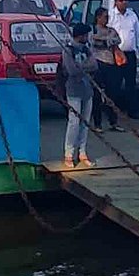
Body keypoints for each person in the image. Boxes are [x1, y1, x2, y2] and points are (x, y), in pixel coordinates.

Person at [61, 23, 96, 168]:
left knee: (85, 123)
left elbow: (95, 65)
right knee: (74, 122)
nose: (87, 37)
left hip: (88, 90)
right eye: (86, 35)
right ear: (80, 35)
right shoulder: (68, 50)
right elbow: (71, 70)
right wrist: (85, 67)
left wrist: (81, 67)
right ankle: (68, 154)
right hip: (73, 90)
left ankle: (82, 153)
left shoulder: (87, 49)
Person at [111, 0, 139, 116]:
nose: (124, 2)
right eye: (121, 0)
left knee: (131, 83)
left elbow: (137, 34)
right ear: (116, 2)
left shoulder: (132, 15)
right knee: (115, 83)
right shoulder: (111, 15)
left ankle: (133, 111)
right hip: (116, 54)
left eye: (126, 0)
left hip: (130, 53)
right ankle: (115, 111)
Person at [90, 6, 121, 128]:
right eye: (105, 17)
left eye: (108, 17)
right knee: (97, 94)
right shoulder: (92, 29)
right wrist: (106, 41)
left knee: (112, 93)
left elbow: (117, 40)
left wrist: (104, 41)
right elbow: (93, 42)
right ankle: (97, 124)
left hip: (111, 63)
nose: (107, 19)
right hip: (97, 63)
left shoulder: (111, 30)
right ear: (98, 18)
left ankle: (113, 121)